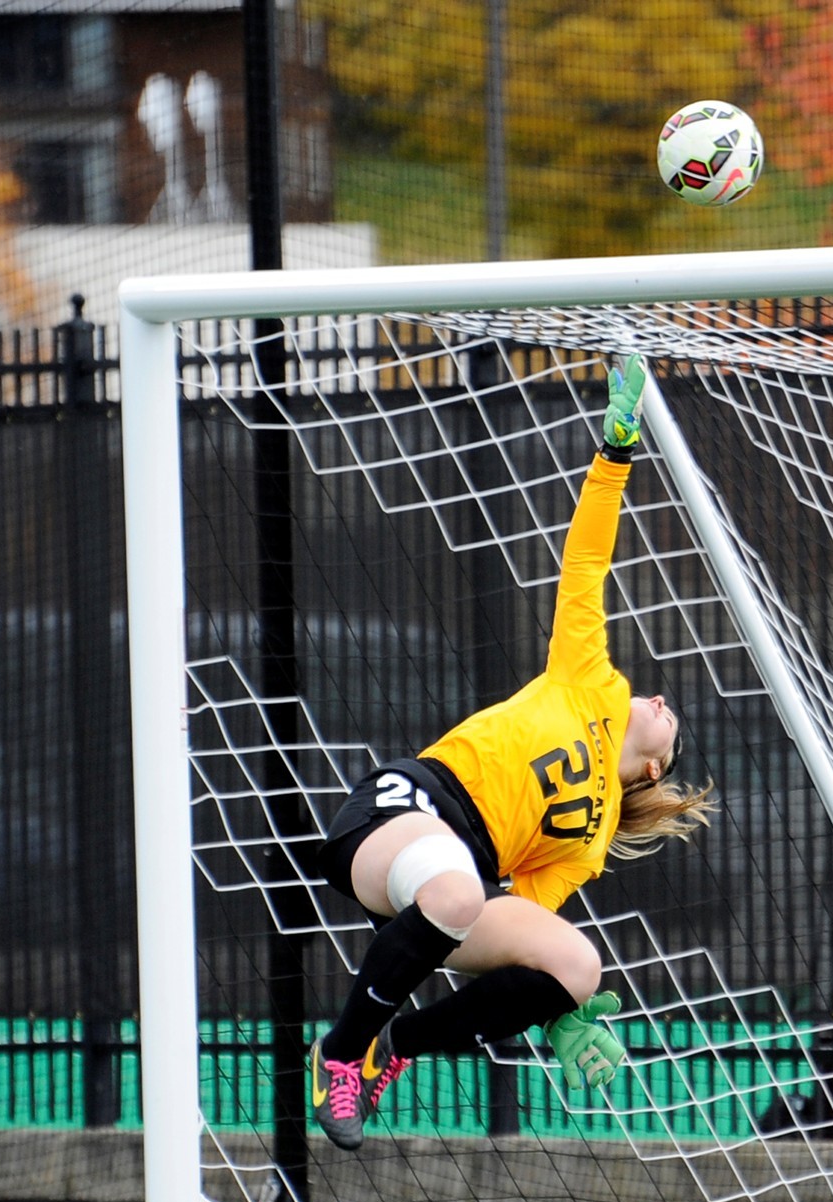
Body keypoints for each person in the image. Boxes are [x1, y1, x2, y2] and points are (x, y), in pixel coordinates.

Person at [304, 353, 717, 1152]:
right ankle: (341, 1051)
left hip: (454, 884)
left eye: (673, 722)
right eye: (663, 701)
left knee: (580, 965)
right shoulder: (588, 680)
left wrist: (561, 1011)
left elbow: (521, 921)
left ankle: (400, 1047)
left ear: (652, 769)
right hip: (405, 812)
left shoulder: (588, 843)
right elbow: (587, 562)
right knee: (458, 890)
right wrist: (616, 450)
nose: (663, 703)